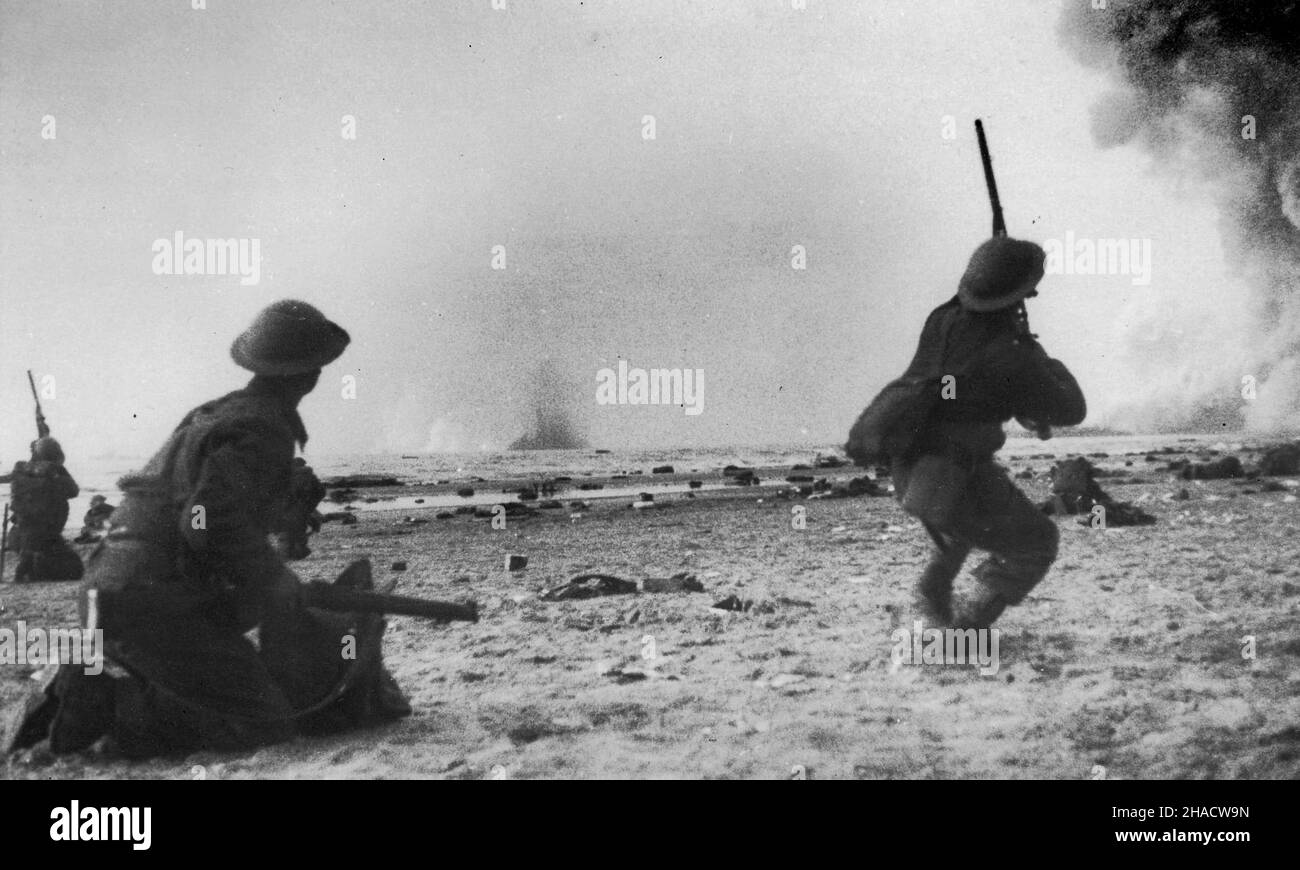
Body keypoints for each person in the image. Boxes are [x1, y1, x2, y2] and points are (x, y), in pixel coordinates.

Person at [5, 300, 409, 758]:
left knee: (225, 676)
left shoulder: (214, 414)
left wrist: (260, 585)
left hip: (108, 585)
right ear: (311, 372)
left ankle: (99, 684)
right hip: (153, 599)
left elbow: (196, 515)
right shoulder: (263, 428)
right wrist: (275, 579)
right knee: (264, 721)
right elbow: (207, 522)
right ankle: (110, 706)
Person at [890, 237, 1086, 629]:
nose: (1034, 292)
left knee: (957, 529)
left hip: (910, 466)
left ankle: (926, 602)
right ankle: (961, 627)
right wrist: (1041, 357)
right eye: (1029, 287)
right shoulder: (1014, 351)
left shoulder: (941, 319)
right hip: (955, 472)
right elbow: (1070, 408)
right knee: (1037, 543)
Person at [0, 437, 83, 582]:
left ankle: (29, 566)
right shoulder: (54, 469)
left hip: (19, 530)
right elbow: (73, 491)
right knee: (70, 565)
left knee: (39, 551)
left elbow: (7, 479)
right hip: (46, 529)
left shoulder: (20, 467)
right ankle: (30, 567)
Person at [273, 458, 327, 560]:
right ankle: (298, 554)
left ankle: (286, 557)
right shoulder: (310, 476)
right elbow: (321, 492)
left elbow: (282, 495)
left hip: (288, 511)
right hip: (302, 511)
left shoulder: (287, 477)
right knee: (299, 532)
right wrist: (310, 505)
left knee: (285, 534)